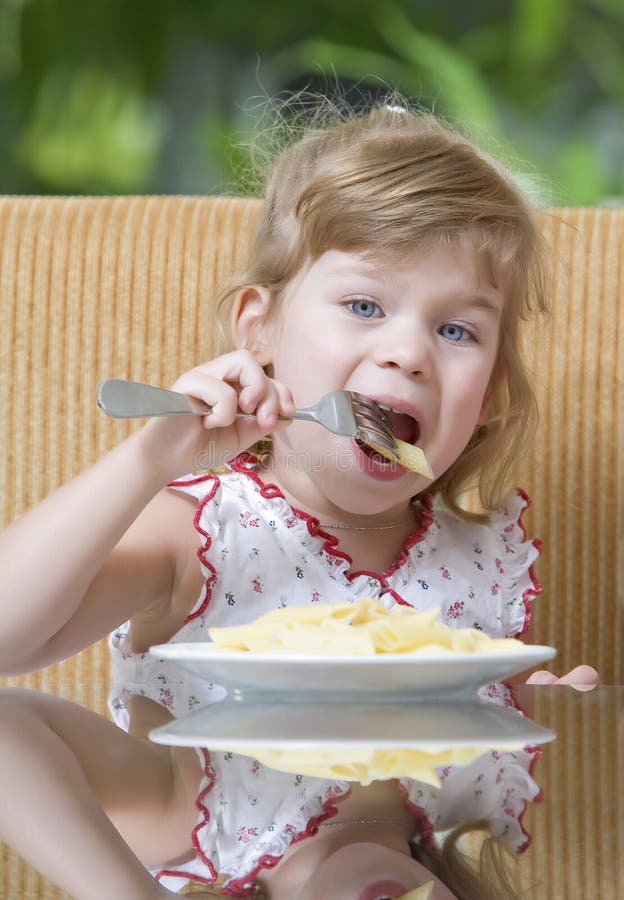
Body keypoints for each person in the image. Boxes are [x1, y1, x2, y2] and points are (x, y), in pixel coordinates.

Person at [0, 96, 598, 899]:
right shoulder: (203, 531)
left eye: (460, 330)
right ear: (260, 329)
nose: (410, 352)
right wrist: (147, 458)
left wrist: (539, 723)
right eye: (364, 305)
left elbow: (471, 741)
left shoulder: (481, 560)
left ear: (488, 394)